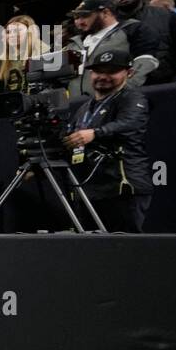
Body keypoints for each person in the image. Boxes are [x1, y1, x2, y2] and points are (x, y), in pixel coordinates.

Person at [63, 48, 152, 233]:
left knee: (125, 248)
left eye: (112, 71)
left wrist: (95, 133)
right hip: (90, 189)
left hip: (122, 186)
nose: (103, 76)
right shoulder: (84, 108)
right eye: (98, 71)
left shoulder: (132, 97)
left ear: (129, 72)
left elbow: (131, 122)